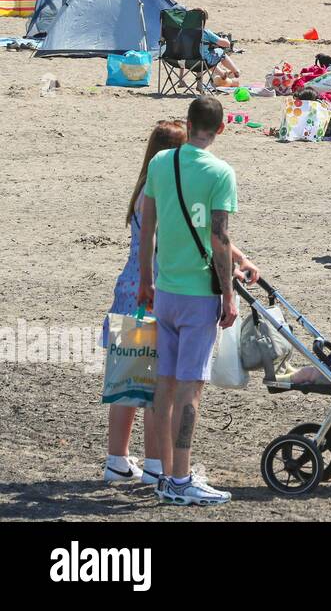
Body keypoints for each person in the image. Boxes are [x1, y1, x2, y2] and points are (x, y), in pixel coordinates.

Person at [137, 97, 259, 506]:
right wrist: (228, 294)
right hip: (196, 296)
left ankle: (165, 470)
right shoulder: (221, 172)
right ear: (220, 129)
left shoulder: (160, 164)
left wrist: (146, 281)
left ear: (188, 125)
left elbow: (148, 226)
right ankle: (181, 478)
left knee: (165, 385)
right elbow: (219, 238)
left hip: (166, 290)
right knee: (191, 388)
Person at [103, 120, 187, 487]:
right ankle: (155, 466)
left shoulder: (142, 190)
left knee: (127, 384)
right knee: (157, 388)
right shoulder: (162, 195)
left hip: (127, 292)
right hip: (152, 294)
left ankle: (116, 460)